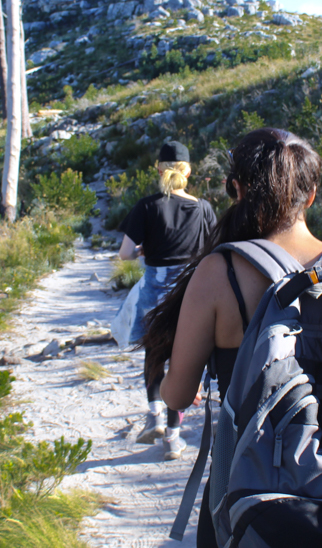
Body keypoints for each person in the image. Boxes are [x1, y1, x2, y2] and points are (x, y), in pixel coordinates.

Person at [142, 128, 322, 547]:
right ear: (313, 194)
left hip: (245, 503)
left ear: (236, 189)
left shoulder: (219, 273)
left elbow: (175, 397)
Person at [117, 140, 217, 461]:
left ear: (159, 170)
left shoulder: (145, 207)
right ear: (188, 171)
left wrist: (143, 251)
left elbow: (125, 254)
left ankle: (154, 414)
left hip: (153, 296)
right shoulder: (203, 209)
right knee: (184, 362)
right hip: (189, 298)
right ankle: (173, 437)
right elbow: (214, 254)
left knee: (154, 354)